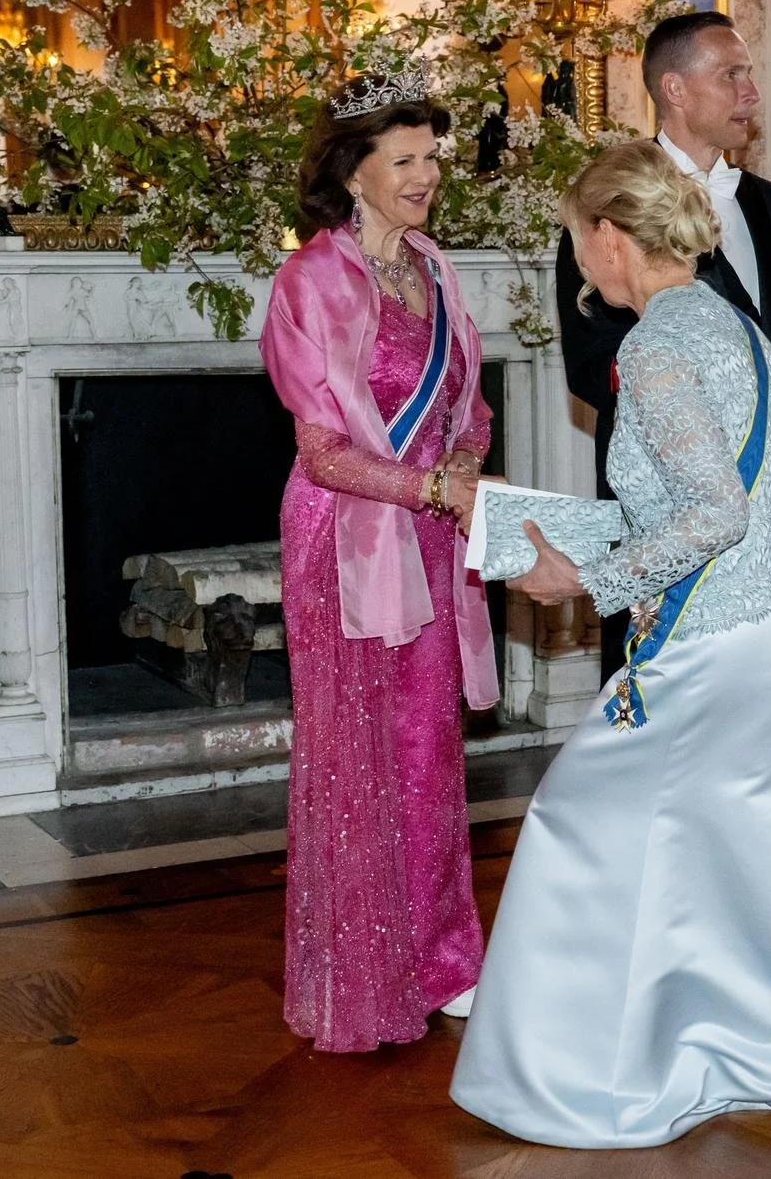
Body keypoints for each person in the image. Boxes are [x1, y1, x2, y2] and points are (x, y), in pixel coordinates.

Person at [450, 141, 771, 1148]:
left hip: (715, 639)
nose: (578, 263)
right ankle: (741, 1041)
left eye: (575, 241)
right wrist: (602, 539)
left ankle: (590, 1073)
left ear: (609, 236)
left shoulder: (653, 345)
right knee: (744, 859)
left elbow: (715, 512)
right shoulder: (733, 326)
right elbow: (724, 500)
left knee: (571, 820)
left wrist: (583, 580)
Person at [260, 69, 495, 1052]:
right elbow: (322, 450)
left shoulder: (434, 269)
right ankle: (363, 975)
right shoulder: (308, 280)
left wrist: (466, 466)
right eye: (404, 160)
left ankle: (443, 961)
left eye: (432, 156)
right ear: (352, 174)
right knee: (358, 759)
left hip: (431, 541)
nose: (425, 175)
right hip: (345, 539)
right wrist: (430, 489)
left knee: (428, 755)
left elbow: (468, 411)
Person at [555, 10, 771, 683]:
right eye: (731, 74)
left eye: (749, 74)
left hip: (764, 485)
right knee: (652, 700)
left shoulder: (767, 202)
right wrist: (718, 407)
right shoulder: (607, 205)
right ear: (674, 89)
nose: (750, 92)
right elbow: (596, 361)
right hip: (665, 497)